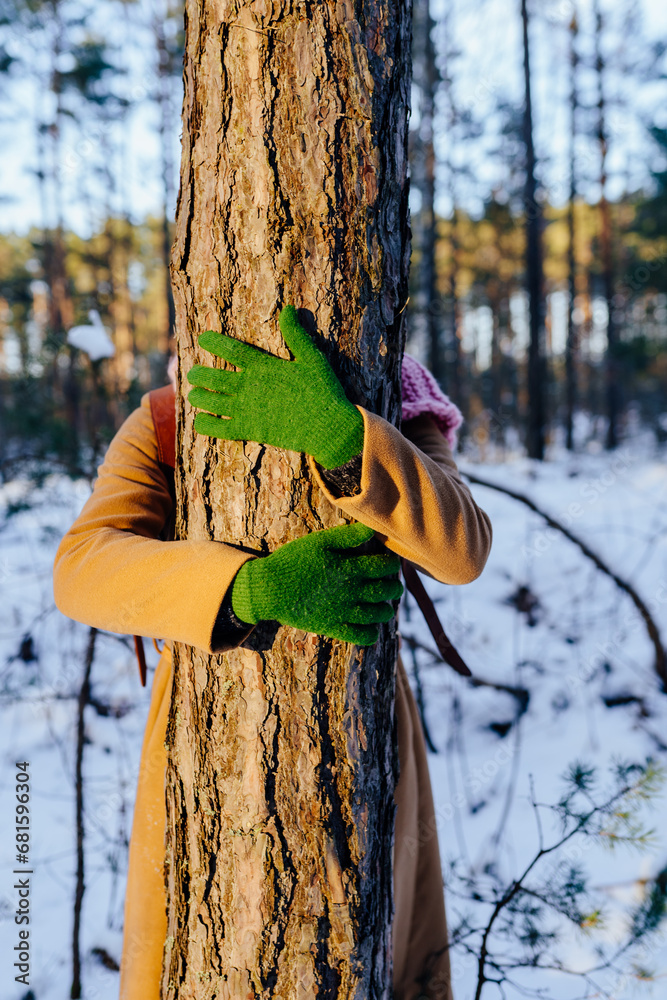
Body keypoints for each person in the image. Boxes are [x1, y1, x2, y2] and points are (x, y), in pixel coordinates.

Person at [53, 305, 492, 1000]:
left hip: (364, 715)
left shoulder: (405, 405)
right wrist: (246, 588)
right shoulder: (174, 414)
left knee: (372, 945)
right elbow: (81, 570)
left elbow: (460, 550)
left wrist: (345, 437)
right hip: (203, 713)